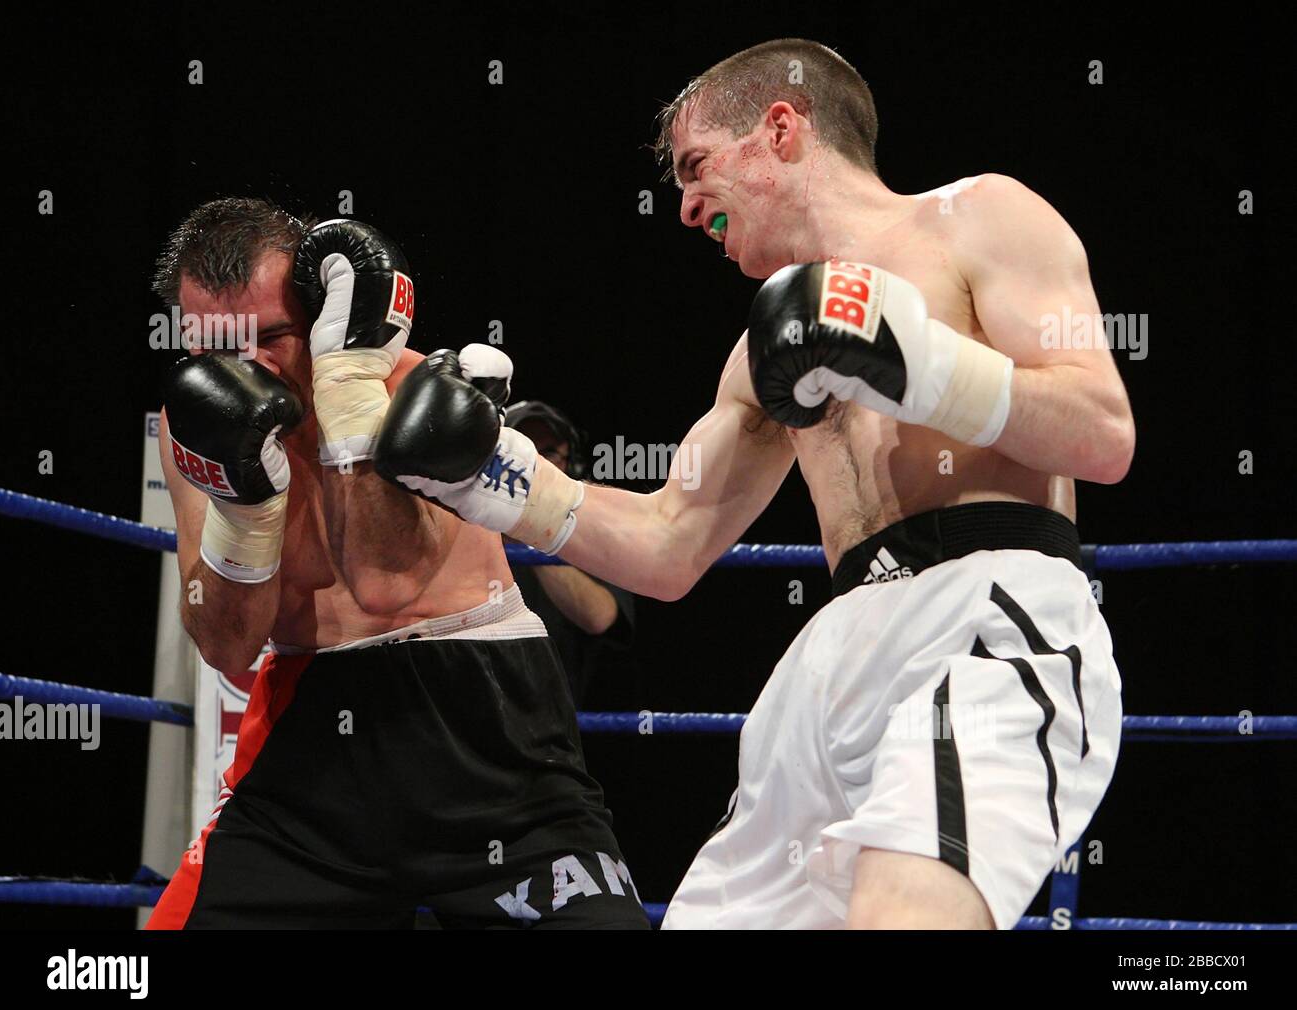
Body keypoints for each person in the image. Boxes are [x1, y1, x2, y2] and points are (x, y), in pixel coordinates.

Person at [372, 38, 1134, 930]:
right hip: (835, 651)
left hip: (987, 611)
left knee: (907, 911)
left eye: (697, 168)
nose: (688, 209)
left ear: (781, 129)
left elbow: (1104, 431)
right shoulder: (761, 350)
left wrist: (916, 361)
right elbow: (668, 543)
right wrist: (500, 481)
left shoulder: (978, 217)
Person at [145, 198, 646, 930]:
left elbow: (386, 585)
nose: (247, 367)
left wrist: (346, 407)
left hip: (481, 726)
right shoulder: (192, 428)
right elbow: (225, 645)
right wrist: (245, 511)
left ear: (318, 308)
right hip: (310, 752)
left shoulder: (412, 387)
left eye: (273, 336)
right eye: (218, 347)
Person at [504, 400, 635, 708]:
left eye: (548, 451)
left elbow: (601, 617)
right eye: (523, 450)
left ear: (570, 464)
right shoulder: (467, 519)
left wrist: (529, 534)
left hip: (563, 717)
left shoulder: (593, 526)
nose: (533, 463)